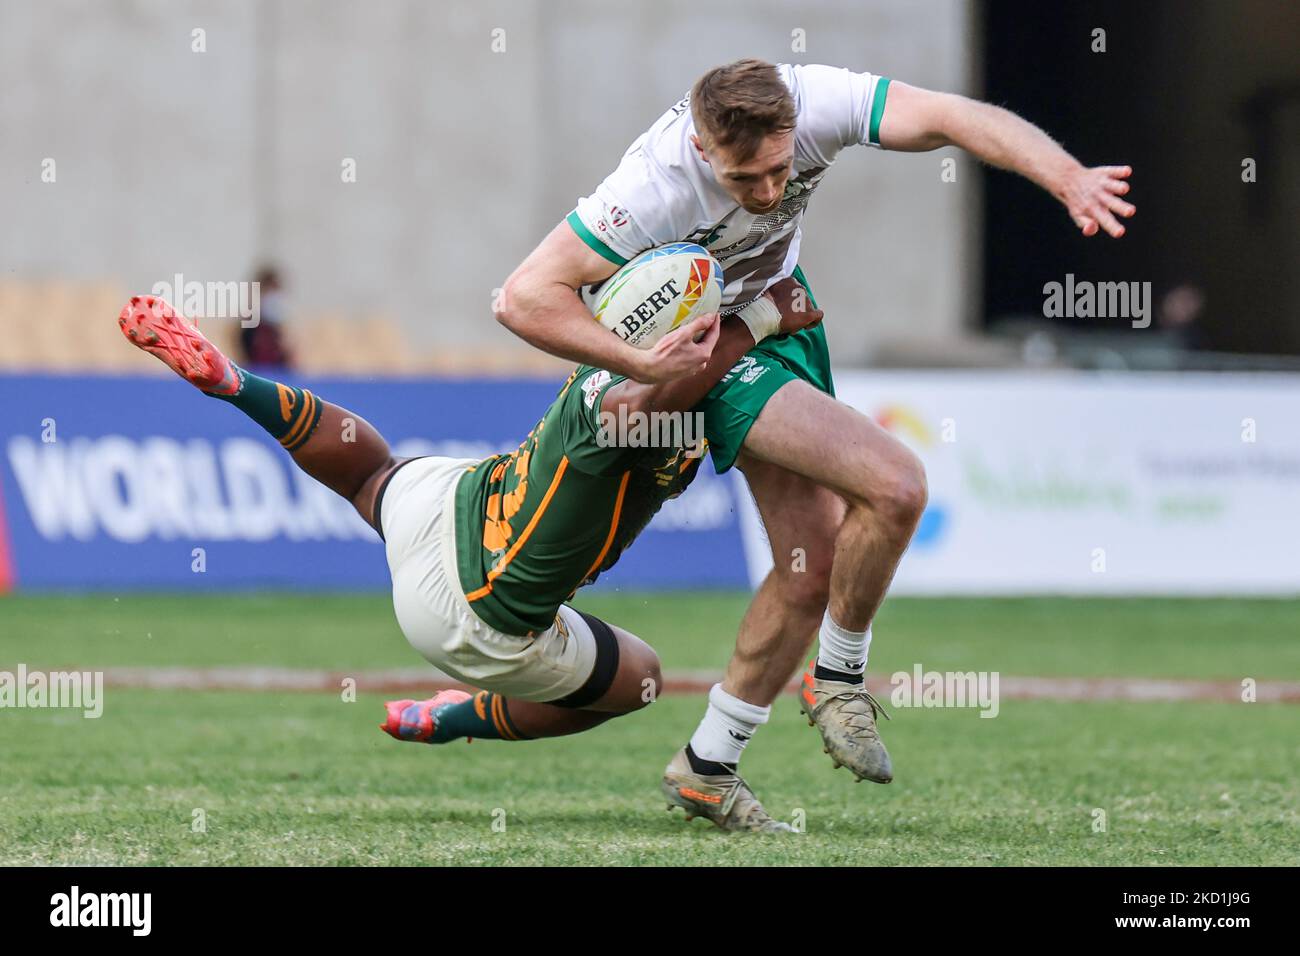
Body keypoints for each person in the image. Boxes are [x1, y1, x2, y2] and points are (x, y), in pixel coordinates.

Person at [495, 58, 1136, 814]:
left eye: (777, 171)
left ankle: (708, 764)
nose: (768, 193)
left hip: (778, 318)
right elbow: (521, 298)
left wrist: (1065, 176)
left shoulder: (820, 101)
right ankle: (838, 682)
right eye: (743, 181)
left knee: (813, 568)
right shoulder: (651, 191)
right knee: (896, 486)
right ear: (703, 152)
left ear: (793, 125)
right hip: (706, 353)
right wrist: (643, 361)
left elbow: (952, 116)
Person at [117, 276, 823, 833]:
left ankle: (233, 385)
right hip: (479, 608)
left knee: (367, 473)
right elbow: (636, 413)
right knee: (640, 679)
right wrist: (759, 320)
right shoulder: (617, 403)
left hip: (452, 499)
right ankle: (459, 715)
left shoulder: (610, 362)